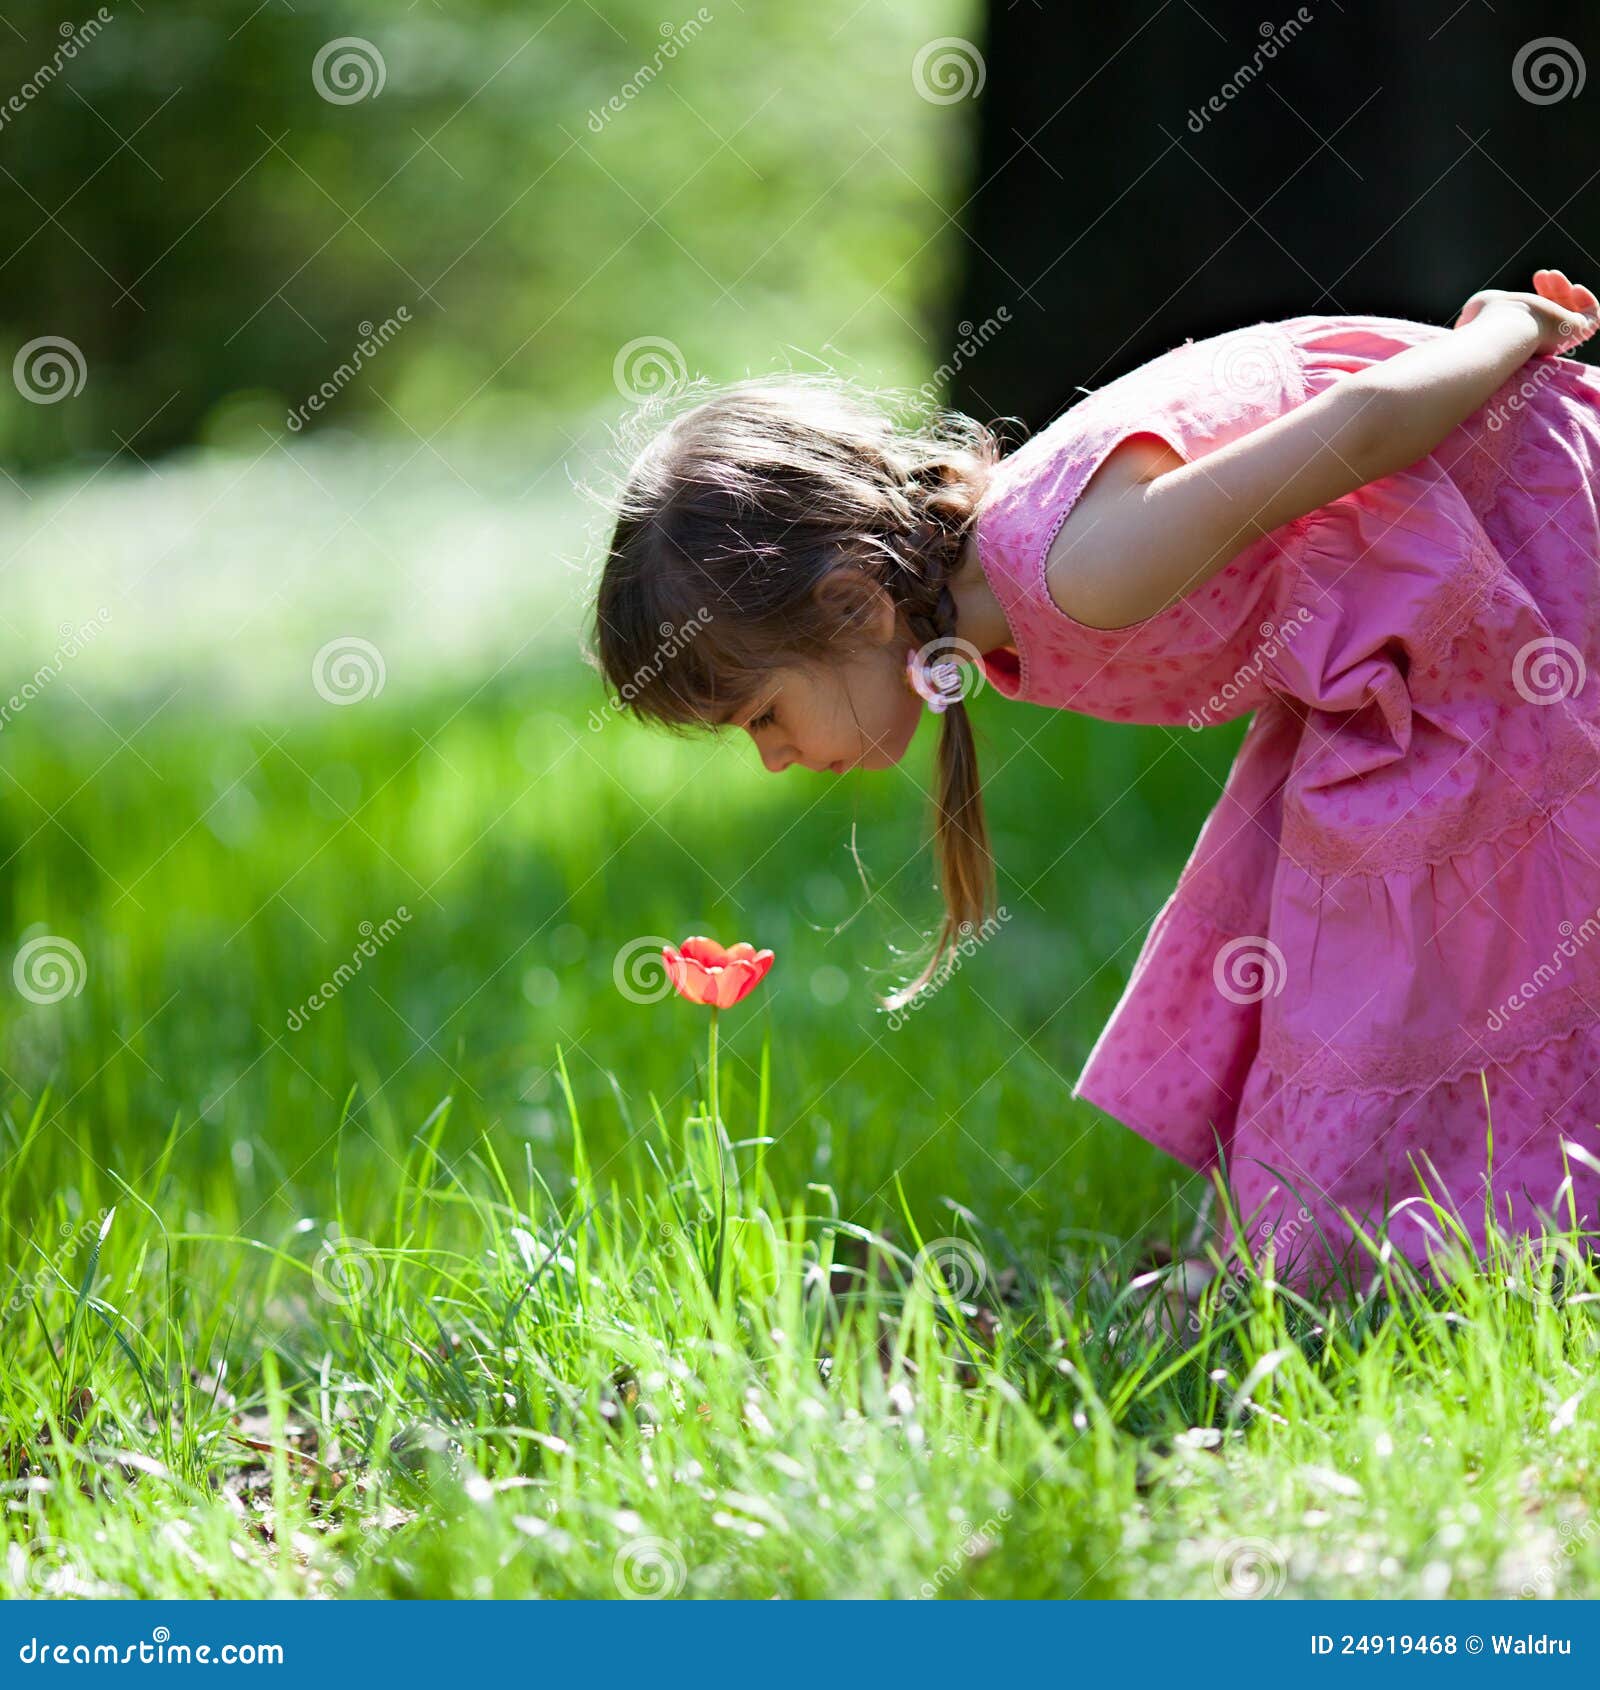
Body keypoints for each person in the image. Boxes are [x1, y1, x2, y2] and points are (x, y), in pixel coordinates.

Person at [590, 269, 1600, 1296]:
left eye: (763, 715)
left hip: (1521, 556)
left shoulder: (1083, 567)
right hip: (1414, 626)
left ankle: (1375, 1248)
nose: (772, 757)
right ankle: (1329, 1237)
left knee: (1392, 908)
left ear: (855, 607)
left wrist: (1504, 327)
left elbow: (1365, 423)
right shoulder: (1007, 578)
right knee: (1311, 893)